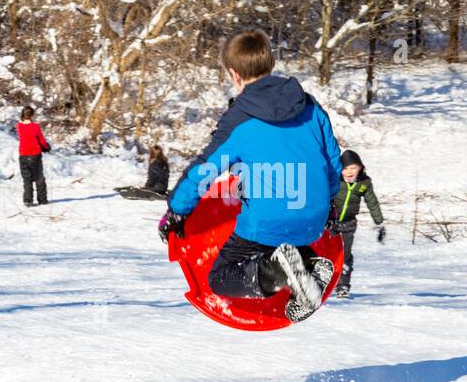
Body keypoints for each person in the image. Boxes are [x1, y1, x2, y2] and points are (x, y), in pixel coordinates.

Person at [158, 29, 342, 322]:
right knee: (284, 237)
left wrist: (177, 210)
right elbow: (333, 162)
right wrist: (330, 205)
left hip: (267, 222)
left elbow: (206, 169)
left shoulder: (241, 117)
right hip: (315, 220)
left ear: (234, 74)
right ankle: (308, 266)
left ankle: (279, 272)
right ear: (269, 62)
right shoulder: (309, 105)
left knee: (219, 277)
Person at [331, 149, 385, 297]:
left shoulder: (364, 183)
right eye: (345, 168)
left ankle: (343, 286)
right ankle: (322, 284)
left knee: (346, 255)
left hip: (349, 224)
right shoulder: (334, 180)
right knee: (327, 254)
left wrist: (379, 223)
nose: (349, 172)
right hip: (329, 224)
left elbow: (372, 202)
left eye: (353, 168)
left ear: (360, 168)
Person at [16, 105, 51, 206]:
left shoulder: (19, 126)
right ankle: (42, 199)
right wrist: (46, 147)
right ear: (32, 115)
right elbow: (42, 141)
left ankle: (28, 200)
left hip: (23, 155)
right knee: (39, 178)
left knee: (27, 179)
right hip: (35, 154)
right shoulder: (35, 126)